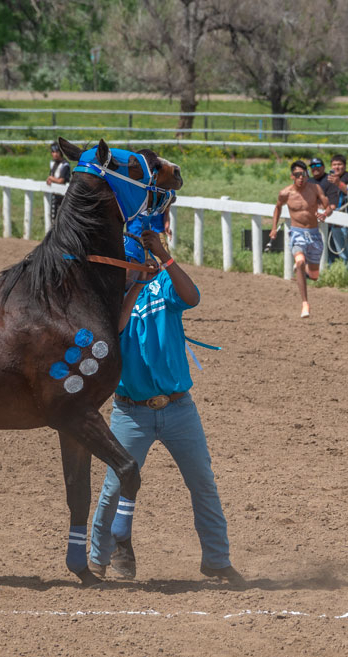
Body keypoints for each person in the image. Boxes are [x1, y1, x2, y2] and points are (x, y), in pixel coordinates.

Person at [89, 228, 244, 587]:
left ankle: (217, 561)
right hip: (131, 412)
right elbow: (116, 329)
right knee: (113, 486)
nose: (128, 269)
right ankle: (96, 560)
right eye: (125, 265)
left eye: (132, 263)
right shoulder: (109, 301)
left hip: (178, 408)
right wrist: (136, 287)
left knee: (202, 482)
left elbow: (192, 296)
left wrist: (165, 257)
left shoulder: (164, 287)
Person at [269, 160, 332, 318]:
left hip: (314, 234)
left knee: (315, 275)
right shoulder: (285, 193)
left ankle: (303, 270)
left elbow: (328, 206)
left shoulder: (315, 188)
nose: (300, 178)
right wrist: (273, 228)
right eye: (297, 175)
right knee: (300, 261)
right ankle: (305, 303)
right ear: (292, 176)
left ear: (307, 175)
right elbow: (277, 208)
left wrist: (325, 214)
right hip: (297, 233)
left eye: (303, 174)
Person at [325, 154, 348, 264]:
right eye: (334, 165)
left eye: (339, 164)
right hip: (336, 223)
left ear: (345, 166)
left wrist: (339, 183)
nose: (336, 167)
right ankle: (346, 275)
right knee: (342, 255)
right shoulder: (329, 180)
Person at [46, 143, 71, 223]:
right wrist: (50, 179)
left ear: (61, 152)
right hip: (54, 194)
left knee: (62, 218)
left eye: (57, 152)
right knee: (53, 217)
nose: (55, 154)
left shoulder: (65, 164)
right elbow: (52, 175)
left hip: (63, 195)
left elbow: (61, 180)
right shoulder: (52, 163)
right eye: (53, 152)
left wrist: (50, 178)